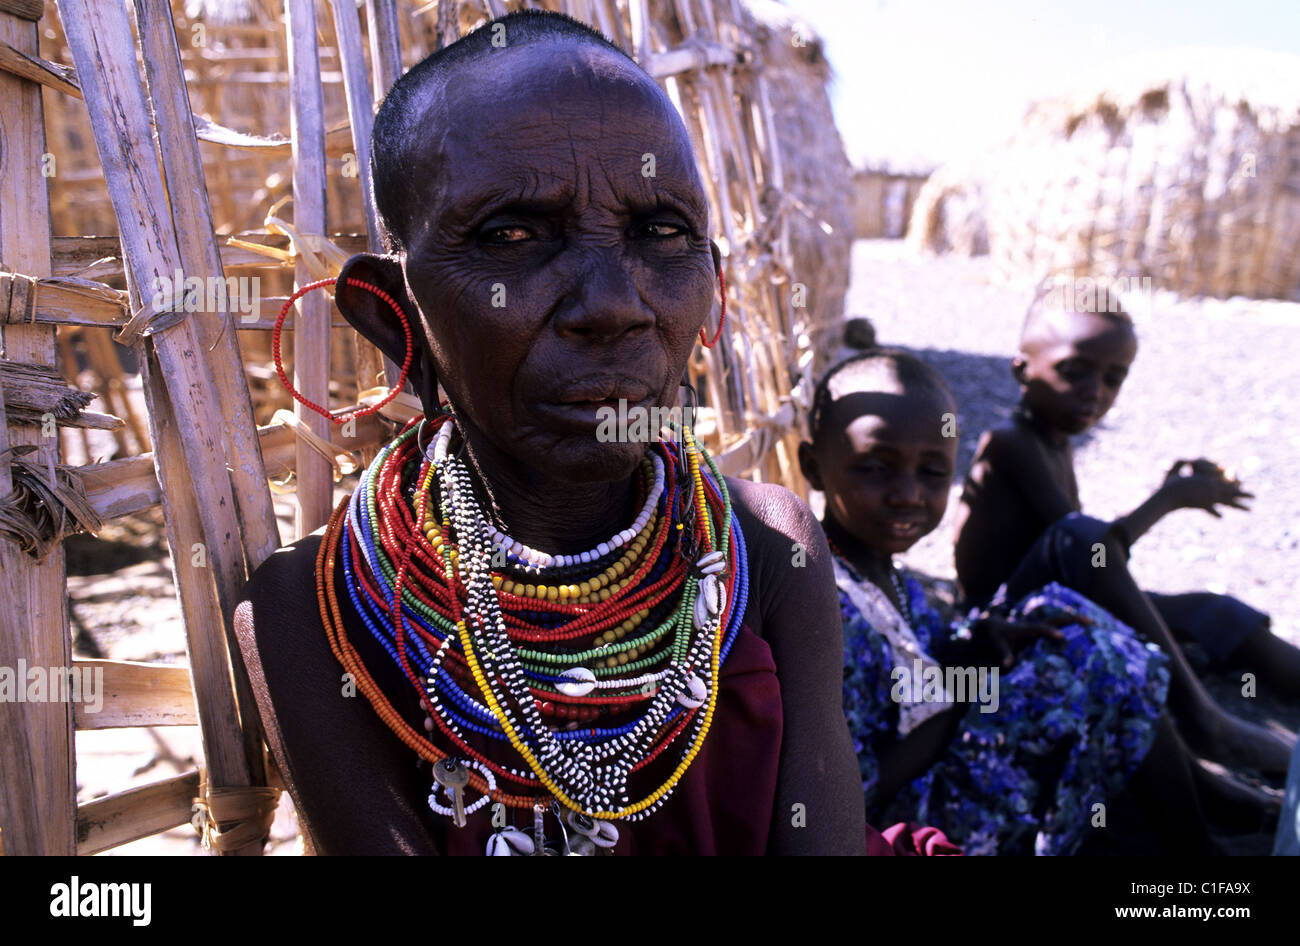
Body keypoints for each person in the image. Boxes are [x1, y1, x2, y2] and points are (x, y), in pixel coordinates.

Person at [233, 10, 864, 855]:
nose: (612, 304)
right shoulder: (311, 608)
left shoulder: (769, 546)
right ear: (394, 317)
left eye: (661, 232)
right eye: (513, 236)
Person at [798, 348, 1272, 855]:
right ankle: (1199, 847)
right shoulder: (829, 608)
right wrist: (963, 689)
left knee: (1069, 629)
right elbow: (858, 791)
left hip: (948, 751)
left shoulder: (892, 579)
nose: (908, 494)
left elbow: (923, 671)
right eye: (876, 468)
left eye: (934, 473)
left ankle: (1194, 826)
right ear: (814, 467)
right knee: (1091, 662)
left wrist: (972, 649)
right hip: (920, 820)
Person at [952, 282, 1298, 774]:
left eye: (1114, 378)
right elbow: (1083, 546)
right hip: (1002, 623)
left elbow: (1095, 557)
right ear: (1021, 369)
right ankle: (1206, 722)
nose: (1095, 392)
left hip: (1060, 598)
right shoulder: (1012, 444)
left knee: (1213, 611)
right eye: (1075, 372)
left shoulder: (1055, 441)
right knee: (1088, 539)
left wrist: (1169, 495)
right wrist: (1168, 500)